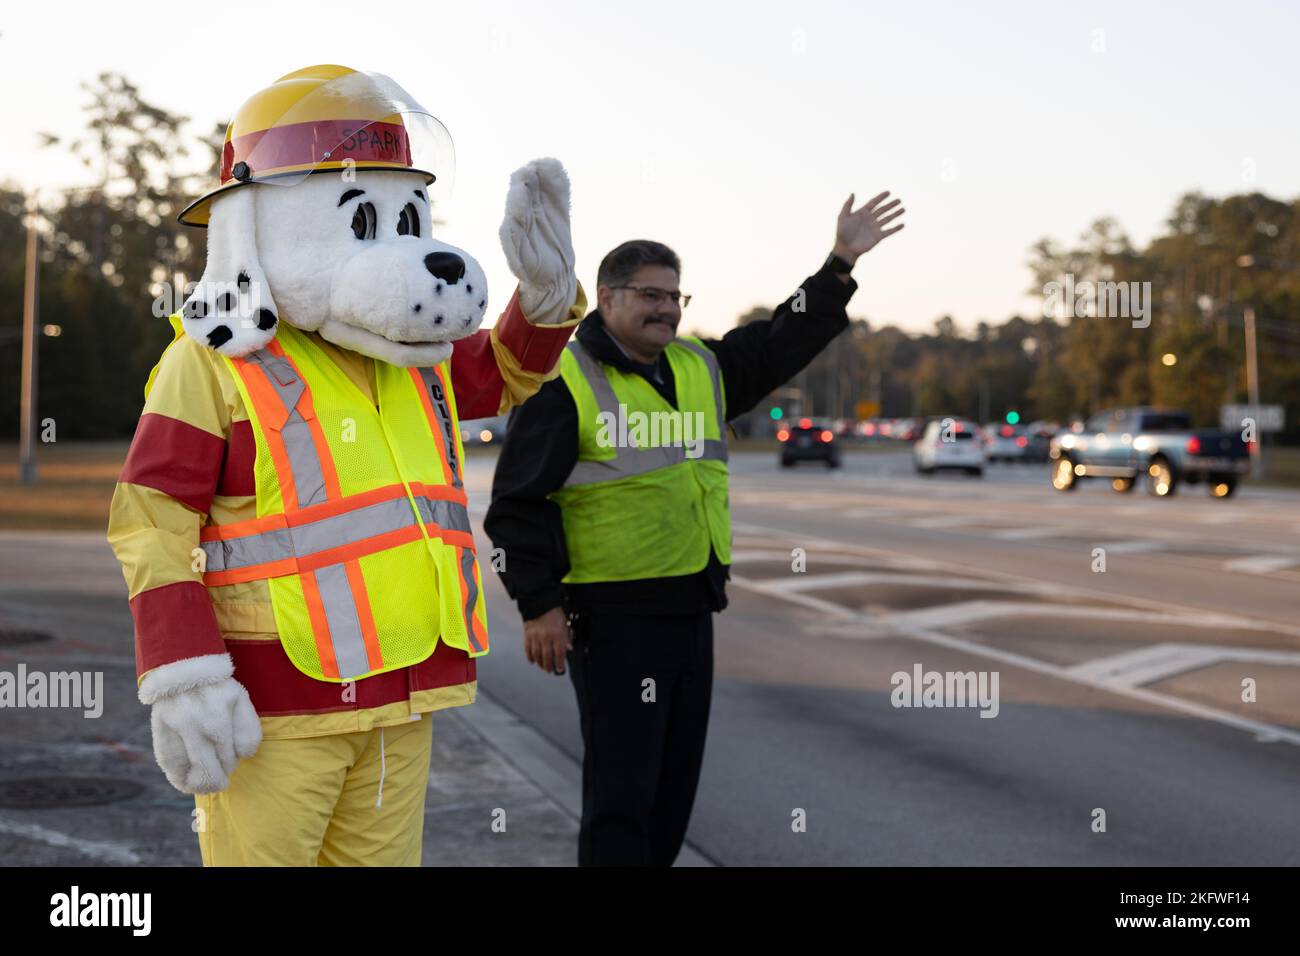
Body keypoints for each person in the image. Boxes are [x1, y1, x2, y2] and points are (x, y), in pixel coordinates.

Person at [484, 191, 905, 865]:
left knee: (670, 796)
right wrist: (540, 607)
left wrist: (840, 262)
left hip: (688, 610)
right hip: (612, 621)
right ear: (607, 296)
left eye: (675, 296)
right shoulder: (567, 385)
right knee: (622, 801)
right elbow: (513, 507)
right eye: (649, 294)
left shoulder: (699, 367)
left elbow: (781, 339)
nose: (666, 308)